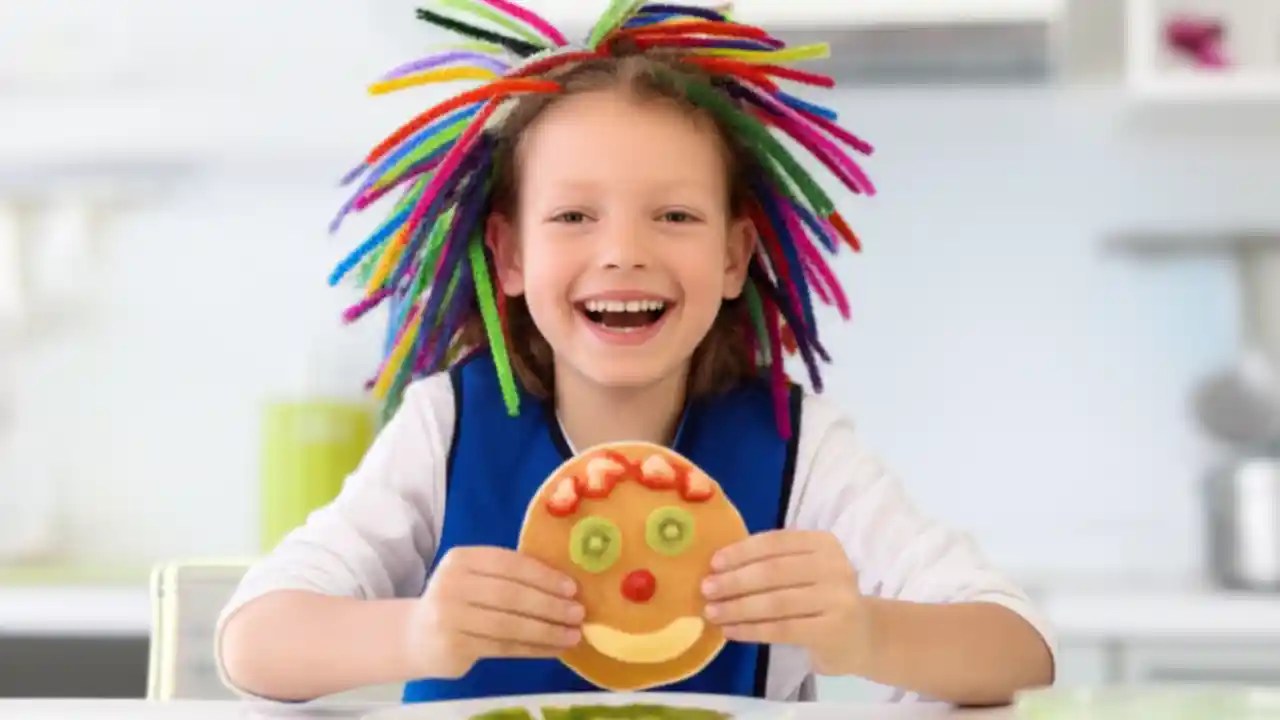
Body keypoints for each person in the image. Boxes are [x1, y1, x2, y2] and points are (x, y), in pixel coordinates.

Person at [215, 0, 1055, 707]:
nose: (622, 252)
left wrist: (866, 632)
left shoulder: (800, 445)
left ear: (734, 257)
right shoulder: (448, 426)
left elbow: (1019, 651)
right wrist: (417, 630)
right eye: (575, 217)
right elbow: (253, 640)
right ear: (508, 255)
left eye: (675, 216)